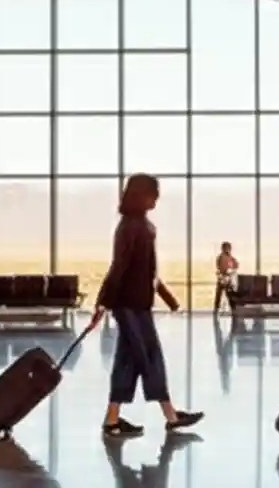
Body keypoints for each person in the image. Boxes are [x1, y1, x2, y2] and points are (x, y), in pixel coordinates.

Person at [92, 173, 204, 438]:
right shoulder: (130, 226)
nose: (157, 198)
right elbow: (119, 267)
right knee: (150, 356)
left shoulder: (141, 225)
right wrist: (102, 302)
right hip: (129, 305)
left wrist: (168, 298)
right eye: (154, 193)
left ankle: (112, 420)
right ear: (142, 195)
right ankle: (171, 415)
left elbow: (147, 271)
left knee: (127, 361)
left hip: (137, 303)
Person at [213, 241, 238, 313]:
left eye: (229, 248)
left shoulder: (230, 257)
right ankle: (217, 308)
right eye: (226, 248)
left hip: (228, 279)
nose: (228, 249)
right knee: (220, 295)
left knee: (229, 295)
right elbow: (220, 268)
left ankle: (233, 308)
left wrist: (231, 270)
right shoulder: (221, 258)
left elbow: (236, 265)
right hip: (223, 279)